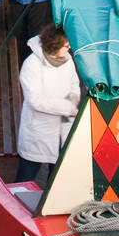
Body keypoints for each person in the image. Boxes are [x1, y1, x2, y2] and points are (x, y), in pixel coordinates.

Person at [16, 25, 80, 185]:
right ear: (55, 45)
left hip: (62, 129)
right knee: (26, 175)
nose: (69, 48)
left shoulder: (67, 60)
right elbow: (35, 100)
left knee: (57, 176)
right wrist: (67, 108)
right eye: (66, 45)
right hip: (38, 132)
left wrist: (73, 102)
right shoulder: (31, 65)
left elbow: (74, 85)